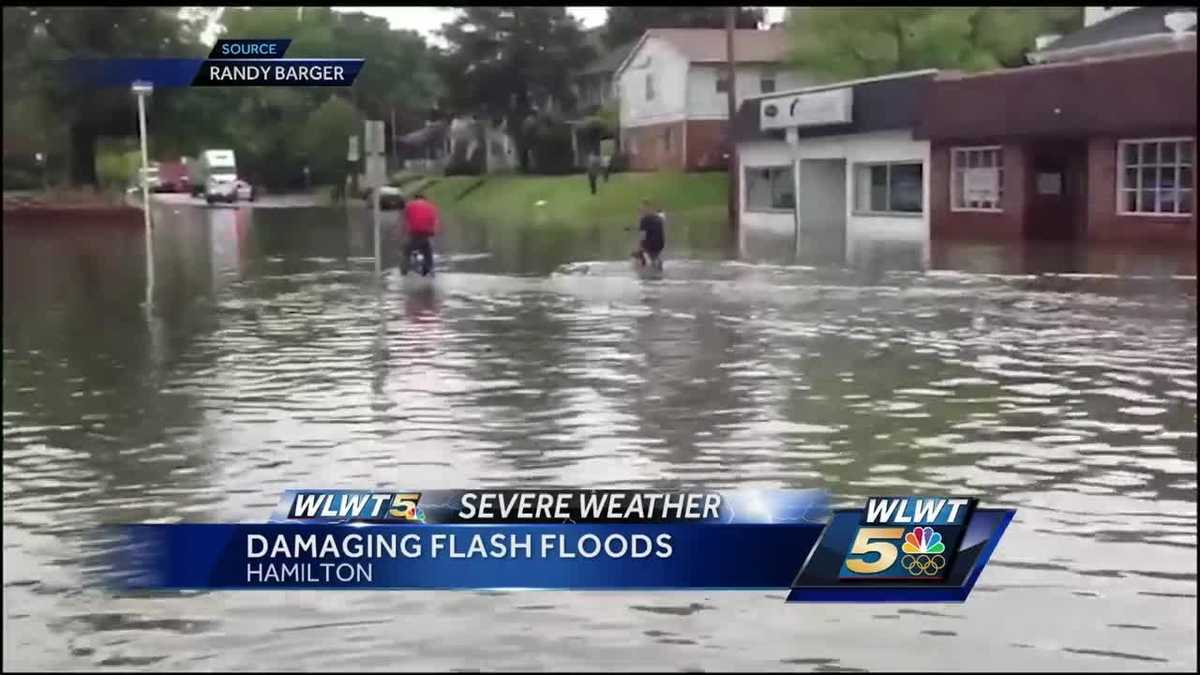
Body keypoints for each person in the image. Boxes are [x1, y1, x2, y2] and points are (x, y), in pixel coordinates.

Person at [400, 192, 439, 276]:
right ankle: (429, 268)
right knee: (428, 252)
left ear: (414, 198)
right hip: (426, 233)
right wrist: (432, 233)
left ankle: (404, 271)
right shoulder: (431, 206)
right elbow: (434, 220)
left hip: (414, 233)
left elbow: (405, 221)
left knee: (406, 252)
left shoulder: (409, 205)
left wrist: (404, 233)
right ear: (424, 198)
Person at [631, 199, 665, 271]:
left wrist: (639, 248)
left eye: (640, 209)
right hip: (660, 243)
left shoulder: (644, 219)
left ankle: (646, 267)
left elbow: (642, 236)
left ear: (645, 208)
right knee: (654, 257)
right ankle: (656, 264)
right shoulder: (658, 217)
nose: (639, 210)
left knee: (636, 255)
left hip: (650, 244)